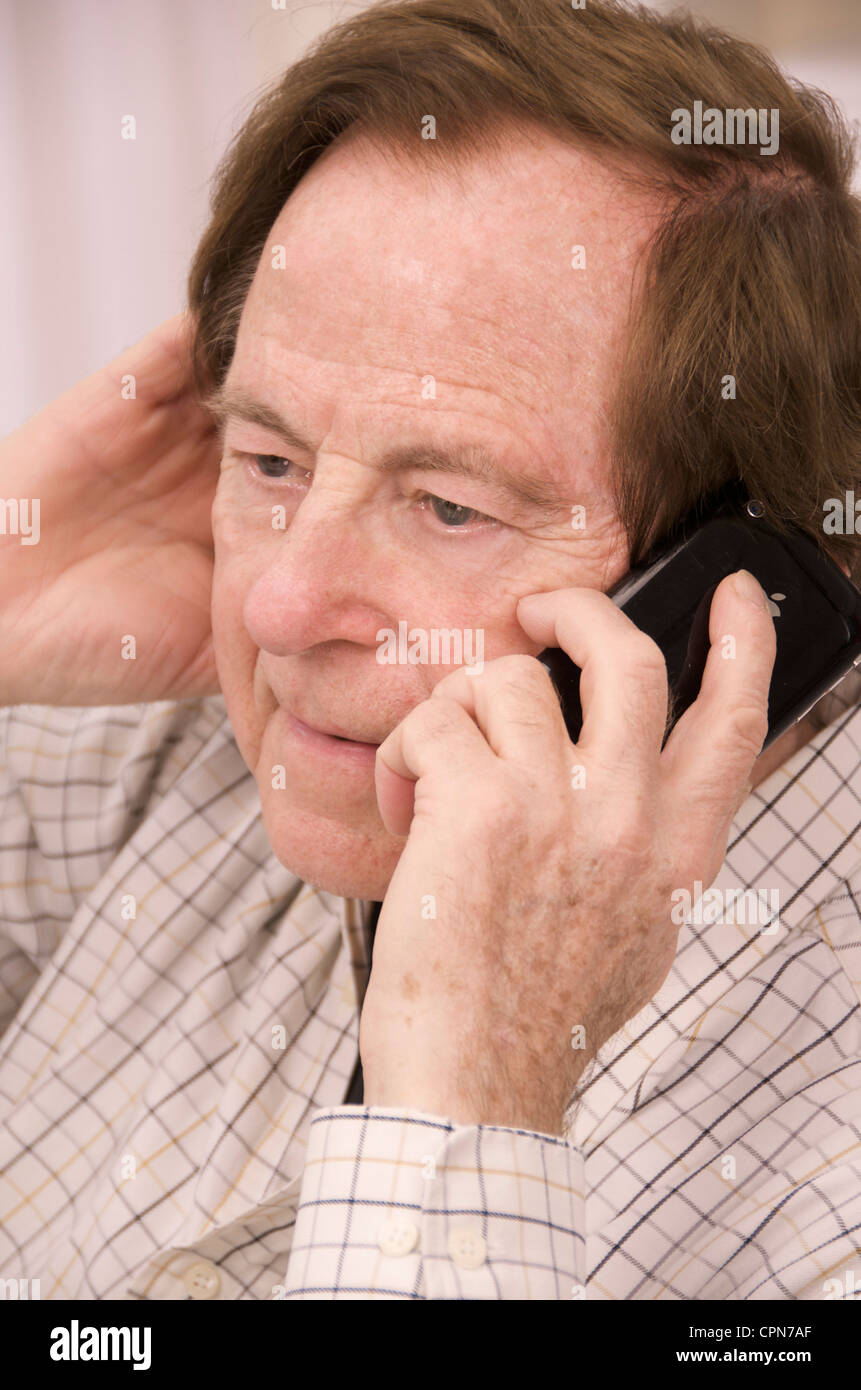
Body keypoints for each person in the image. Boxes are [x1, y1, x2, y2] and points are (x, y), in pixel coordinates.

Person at [1, 0, 859, 1300]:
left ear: (726, 594)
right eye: (272, 459)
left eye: (449, 505)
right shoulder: (191, 759)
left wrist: (472, 1108)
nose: (282, 607)